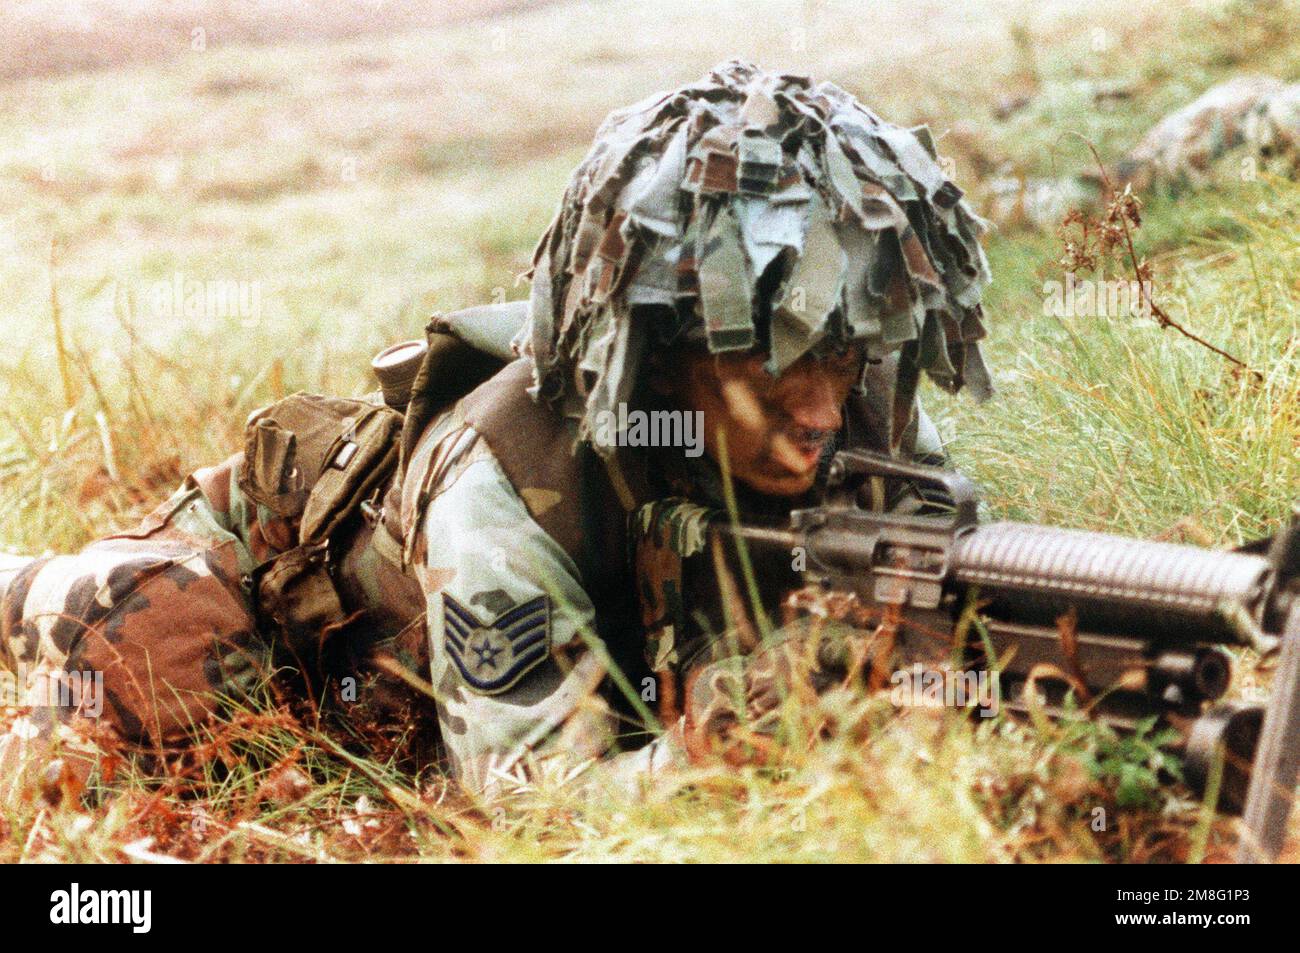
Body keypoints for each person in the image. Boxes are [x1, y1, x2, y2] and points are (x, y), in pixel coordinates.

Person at [0, 60, 993, 798]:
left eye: (841, 352)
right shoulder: (509, 489)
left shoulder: (860, 411)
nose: (821, 409)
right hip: (249, 587)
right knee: (155, 664)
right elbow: (530, 810)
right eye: (771, 367)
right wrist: (715, 752)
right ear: (665, 352)